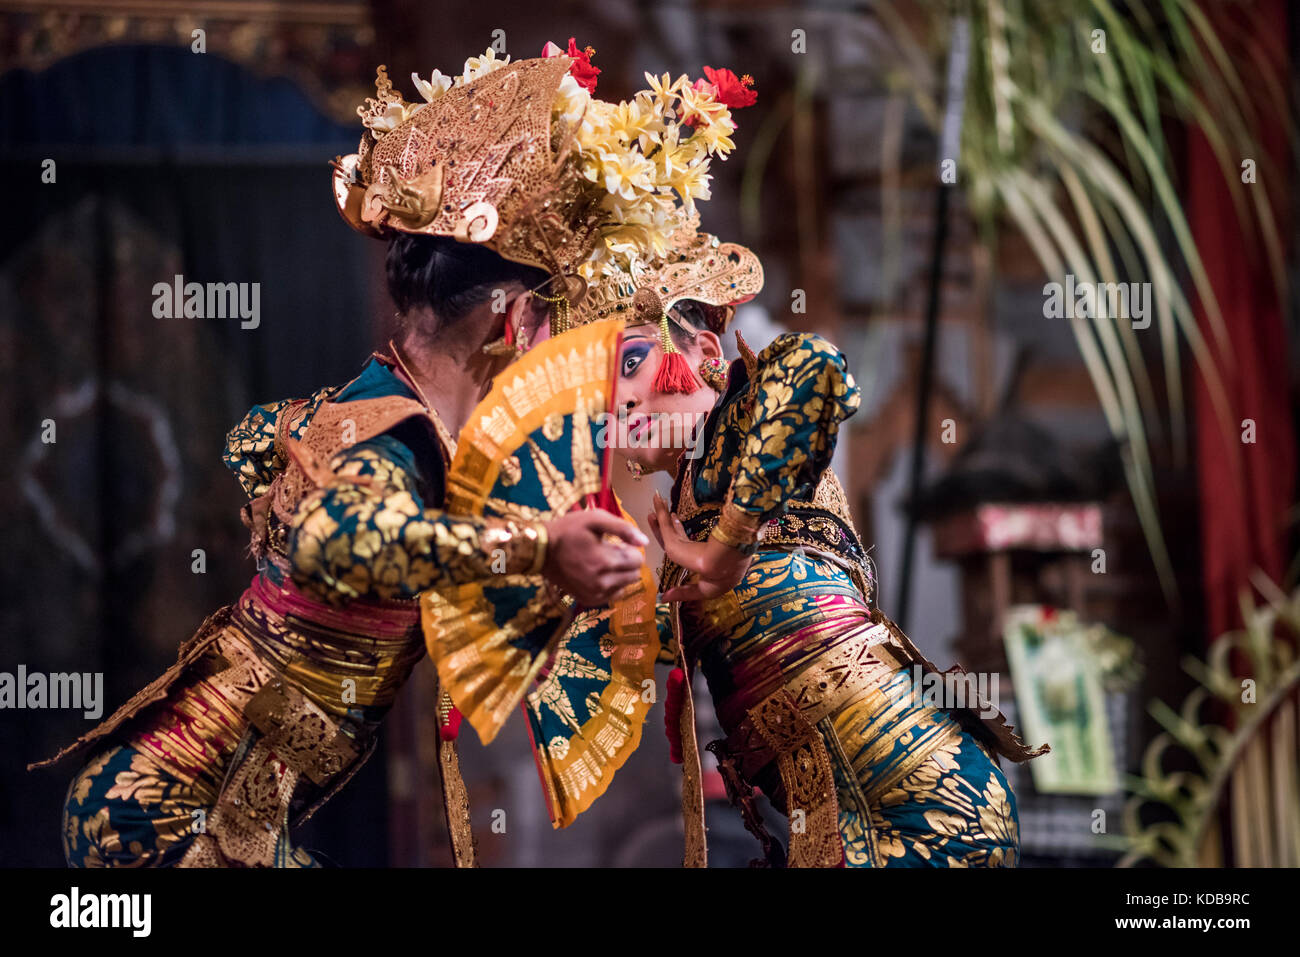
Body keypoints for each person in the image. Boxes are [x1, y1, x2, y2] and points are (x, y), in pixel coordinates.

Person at [37, 42, 677, 868]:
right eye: (555, 326)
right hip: (160, 823)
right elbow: (331, 540)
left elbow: (257, 444)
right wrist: (542, 547)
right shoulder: (395, 435)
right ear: (510, 321)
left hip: (200, 818)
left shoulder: (391, 420)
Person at [581, 237, 1050, 867]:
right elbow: (667, 639)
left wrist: (726, 546)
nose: (623, 402)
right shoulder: (690, 514)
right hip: (847, 820)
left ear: (706, 352)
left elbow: (818, 365)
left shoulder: (741, 425)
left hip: (935, 811)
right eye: (604, 391)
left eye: (633, 363)